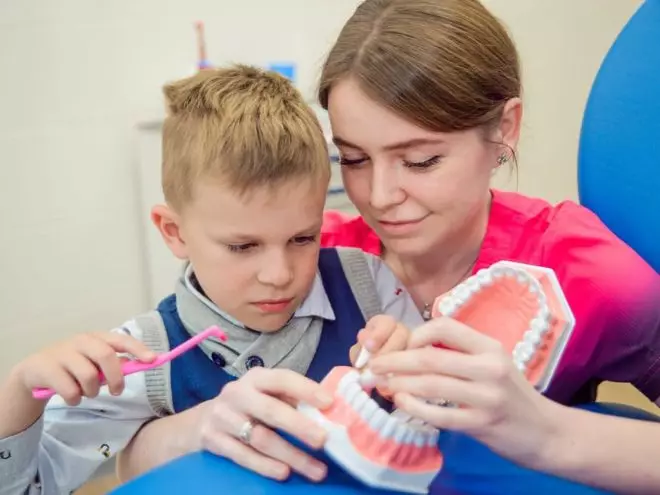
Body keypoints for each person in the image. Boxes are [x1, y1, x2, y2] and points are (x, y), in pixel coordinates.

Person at [118, 0, 660, 493]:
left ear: (505, 128)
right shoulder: (306, 258)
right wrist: (204, 423)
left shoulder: (583, 273)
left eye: (420, 161)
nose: (378, 198)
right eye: (353, 159)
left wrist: (544, 432)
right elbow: (129, 467)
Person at [0, 65, 422, 495]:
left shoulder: (367, 285)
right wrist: (17, 391)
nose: (279, 276)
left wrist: (415, 377)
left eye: (302, 238)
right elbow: (28, 487)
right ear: (174, 231)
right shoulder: (143, 355)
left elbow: (442, 429)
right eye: (242, 247)